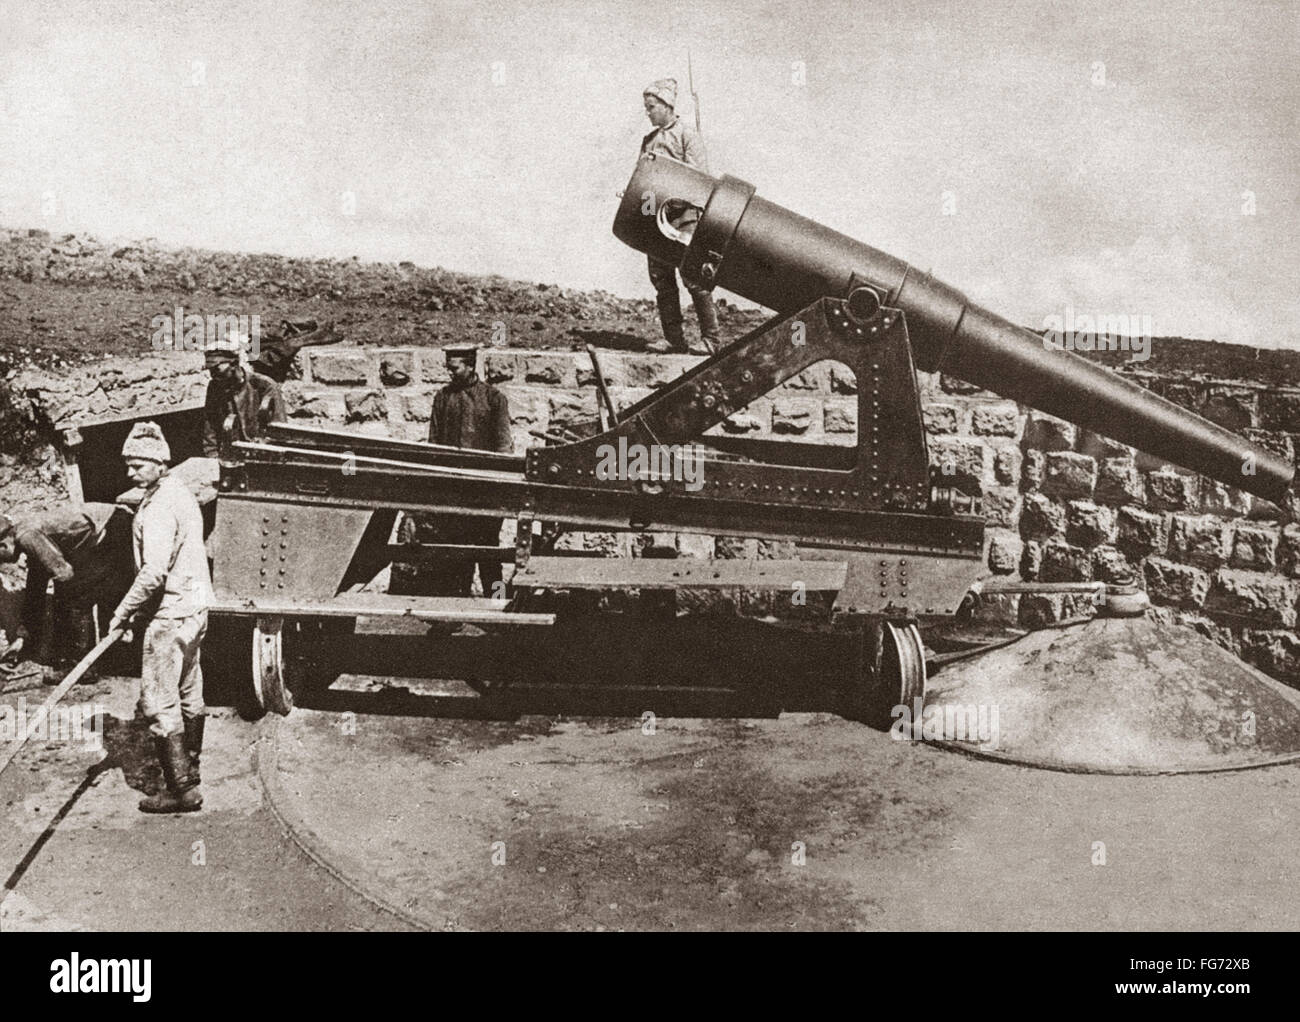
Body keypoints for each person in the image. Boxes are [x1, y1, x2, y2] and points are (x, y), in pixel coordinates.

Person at [107, 422, 214, 814]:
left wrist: (123, 612)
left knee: (159, 700)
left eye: (137, 466)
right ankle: (192, 770)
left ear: (157, 463)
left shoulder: (157, 509)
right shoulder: (179, 493)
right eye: (128, 465)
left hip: (170, 613)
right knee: (189, 690)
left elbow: (153, 572)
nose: (130, 473)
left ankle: (180, 790)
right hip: (196, 606)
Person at [394, 346, 513, 598]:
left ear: (470, 365)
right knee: (454, 555)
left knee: (489, 553)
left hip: (485, 493)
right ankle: (454, 612)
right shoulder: (443, 398)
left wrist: (498, 487)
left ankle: (498, 607)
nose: (449, 371)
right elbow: (434, 444)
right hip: (453, 492)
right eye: (448, 366)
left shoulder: (494, 399)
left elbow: (504, 447)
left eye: (454, 367)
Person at [639, 77, 720, 356]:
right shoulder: (648, 141)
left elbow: (698, 180)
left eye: (651, 107)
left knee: (693, 277)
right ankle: (674, 339)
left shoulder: (687, 135)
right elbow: (642, 179)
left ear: (666, 105)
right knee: (661, 279)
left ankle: (711, 340)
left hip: (683, 218)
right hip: (654, 223)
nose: (647, 112)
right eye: (646, 107)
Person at [0, 503, 127, 671]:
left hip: (115, 526)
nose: (4, 564)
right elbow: (35, 591)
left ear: (3, 545)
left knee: (75, 599)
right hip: (107, 528)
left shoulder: (27, 536)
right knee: (68, 596)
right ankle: (77, 662)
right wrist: (21, 639)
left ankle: (81, 668)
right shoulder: (25, 536)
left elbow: (65, 574)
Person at [201, 332, 286, 457]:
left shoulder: (265, 386)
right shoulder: (215, 387)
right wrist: (212, 456)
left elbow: (279, 430)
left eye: (217, 369)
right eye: (210, 370)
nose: (213, 375)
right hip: (232, 457)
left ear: (234, 363)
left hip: (263, 456)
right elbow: (211, 427)